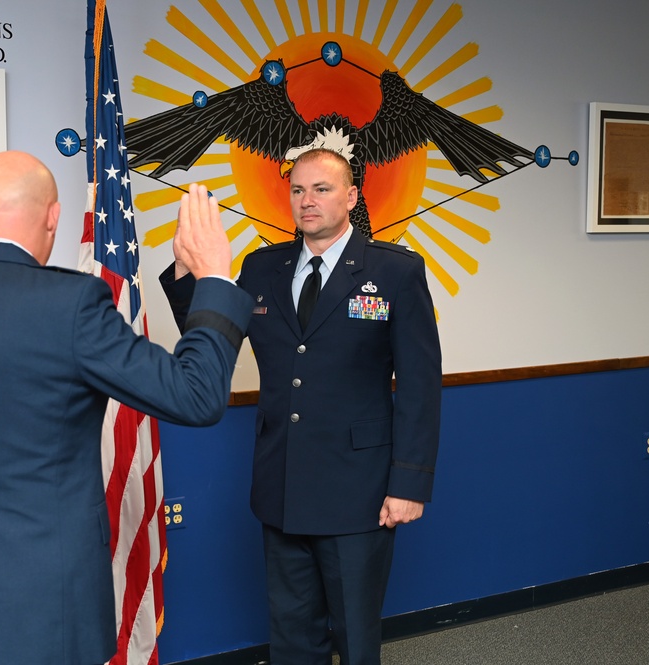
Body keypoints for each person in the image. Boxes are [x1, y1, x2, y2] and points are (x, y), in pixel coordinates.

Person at [0, 150, 253, 665]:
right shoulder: (71, 304)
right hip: (45, 596)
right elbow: (197, 395)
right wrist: (212, 277)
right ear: (54, 217)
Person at [160, 148, 442, 665]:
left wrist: (409, 485)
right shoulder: (263, 268)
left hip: (359, 492)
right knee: (291, 636)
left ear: (353, 197)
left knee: (356, 636)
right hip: (282, 483)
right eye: (297, 190)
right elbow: (211, 331)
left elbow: (421, 385)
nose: (306, 201)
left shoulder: (395, 271)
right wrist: (187, 269)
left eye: (321, 189)